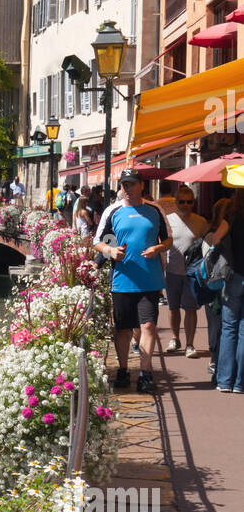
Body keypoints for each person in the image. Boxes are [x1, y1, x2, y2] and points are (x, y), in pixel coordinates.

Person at [94, 169, 173, 394]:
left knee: (148, 326)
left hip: (150, 279)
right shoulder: (113, 210)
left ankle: (145, 374)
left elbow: (168, 239)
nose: (127, 189)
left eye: (131, 184)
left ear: (141, 186)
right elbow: (98, 241)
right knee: (123, 329)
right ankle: (123, 370)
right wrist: (110, 251)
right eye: (124, 185)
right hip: (122, 280)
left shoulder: (155, 210)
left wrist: (158, 248)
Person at [204, 188, 244, 393]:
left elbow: (215, 239)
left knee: (229, 329)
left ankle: (225, 381)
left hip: (234, 276)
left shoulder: (232, 216)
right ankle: (240, 383)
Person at [163, 185, 208, 357]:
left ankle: (190, 344)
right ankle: (175, 338)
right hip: (172, 271)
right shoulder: (168, 220)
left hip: (192, 274)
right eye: (181, 202)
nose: (185, 205)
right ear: (176, 202)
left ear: (193, 203)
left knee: (191, 309)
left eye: (189, 202)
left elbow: (207, 245)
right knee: (173, 308)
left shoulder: (200, 222)